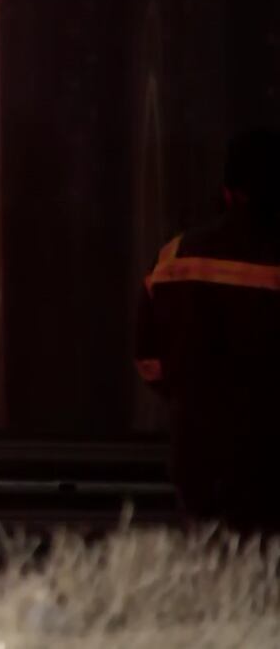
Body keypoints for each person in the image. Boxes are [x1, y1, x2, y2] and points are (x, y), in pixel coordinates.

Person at [136, 127, 280, 533]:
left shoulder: (175, 257)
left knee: (213, 573)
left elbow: (147, 360)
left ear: (228, 190)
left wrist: (193, 401)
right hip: (271, 461)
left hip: (200, 456)